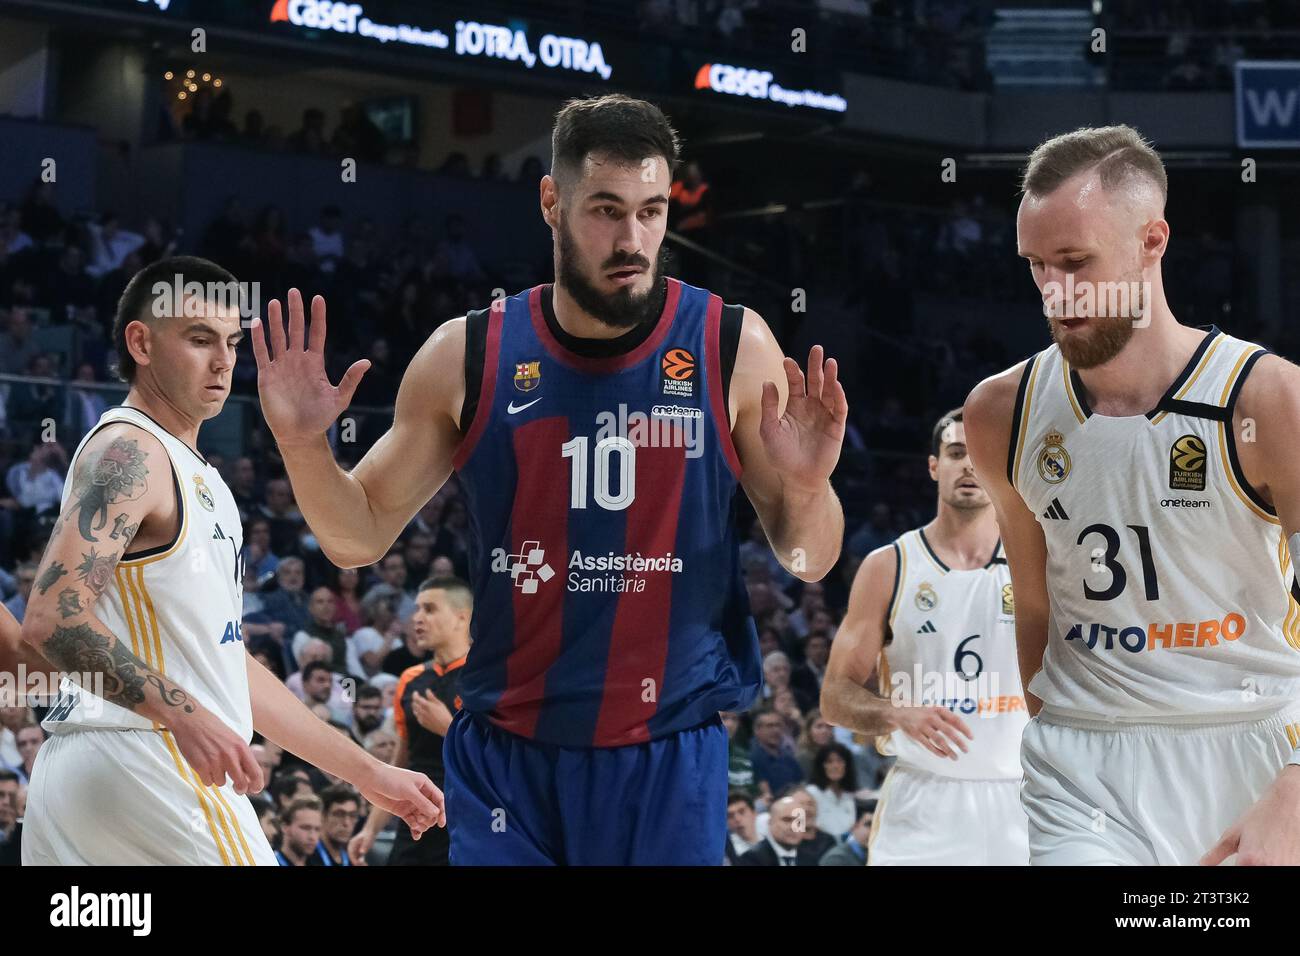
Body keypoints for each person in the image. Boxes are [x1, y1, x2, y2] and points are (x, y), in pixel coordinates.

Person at [252, 94, 846, 865]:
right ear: (550, 201)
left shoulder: (733, 343)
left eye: (652, 211)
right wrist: (303, 447)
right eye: (605, 209)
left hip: (666, 754)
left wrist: (803, 490)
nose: (632, 238)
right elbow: (357, 536)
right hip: (507, 761)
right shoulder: (466, 353)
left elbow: (809, 560)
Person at [13, 256, 442, 866]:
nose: (223, 361)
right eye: (198, 339)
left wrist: (368, 773)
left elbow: (226, 667)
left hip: (84, 778)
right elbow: (53, 618)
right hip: (153, 764)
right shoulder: (131, 450)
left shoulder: (192, 472)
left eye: (232, 342)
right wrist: (188, 717)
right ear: (140, 340)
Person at [963, 125, 1300, 867]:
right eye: (1037, 266)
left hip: (1255, 746)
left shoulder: (1269, 399)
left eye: (1076, 263)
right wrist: (1059, 727)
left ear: (1153, 240)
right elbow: (1036, 601)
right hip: (1086, 767)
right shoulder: (1000, 412)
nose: (1054, 291)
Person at [821, 409, 1030, 865]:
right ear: (934, 466)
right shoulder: (888, 566)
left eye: (980, 455)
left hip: (1022, 798)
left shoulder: (1036, 563)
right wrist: (896, 714)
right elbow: (835, 697)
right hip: (923, 798)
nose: (970, 465)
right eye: (956, 453)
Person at [350, 577, 470, 866]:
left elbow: (498, 758)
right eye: (416, 609)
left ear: (460, 617)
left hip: (465, 818)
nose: (417, 618)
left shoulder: (483, 677)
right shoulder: (409, 679)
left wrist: (447, 727)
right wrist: (370, 829)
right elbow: (400, 763)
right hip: (414, 821)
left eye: (429, 609)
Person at [311, 784, 359, 866]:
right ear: (323, 815)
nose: (346, 823)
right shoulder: (305, 855)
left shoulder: (353, 860)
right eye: (339, 814)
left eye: (352, 815)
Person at [276, 796, 323, 866]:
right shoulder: (268, 862)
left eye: (317, 829)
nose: (312, 837)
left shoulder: (319, 863)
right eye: (305, 828)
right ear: (285, 828)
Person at [724, 789, 760, 865]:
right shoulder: (726, 852)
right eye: (730, 816)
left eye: (742, 812)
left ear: (754, 813)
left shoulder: (771, 839)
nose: (737, 819)